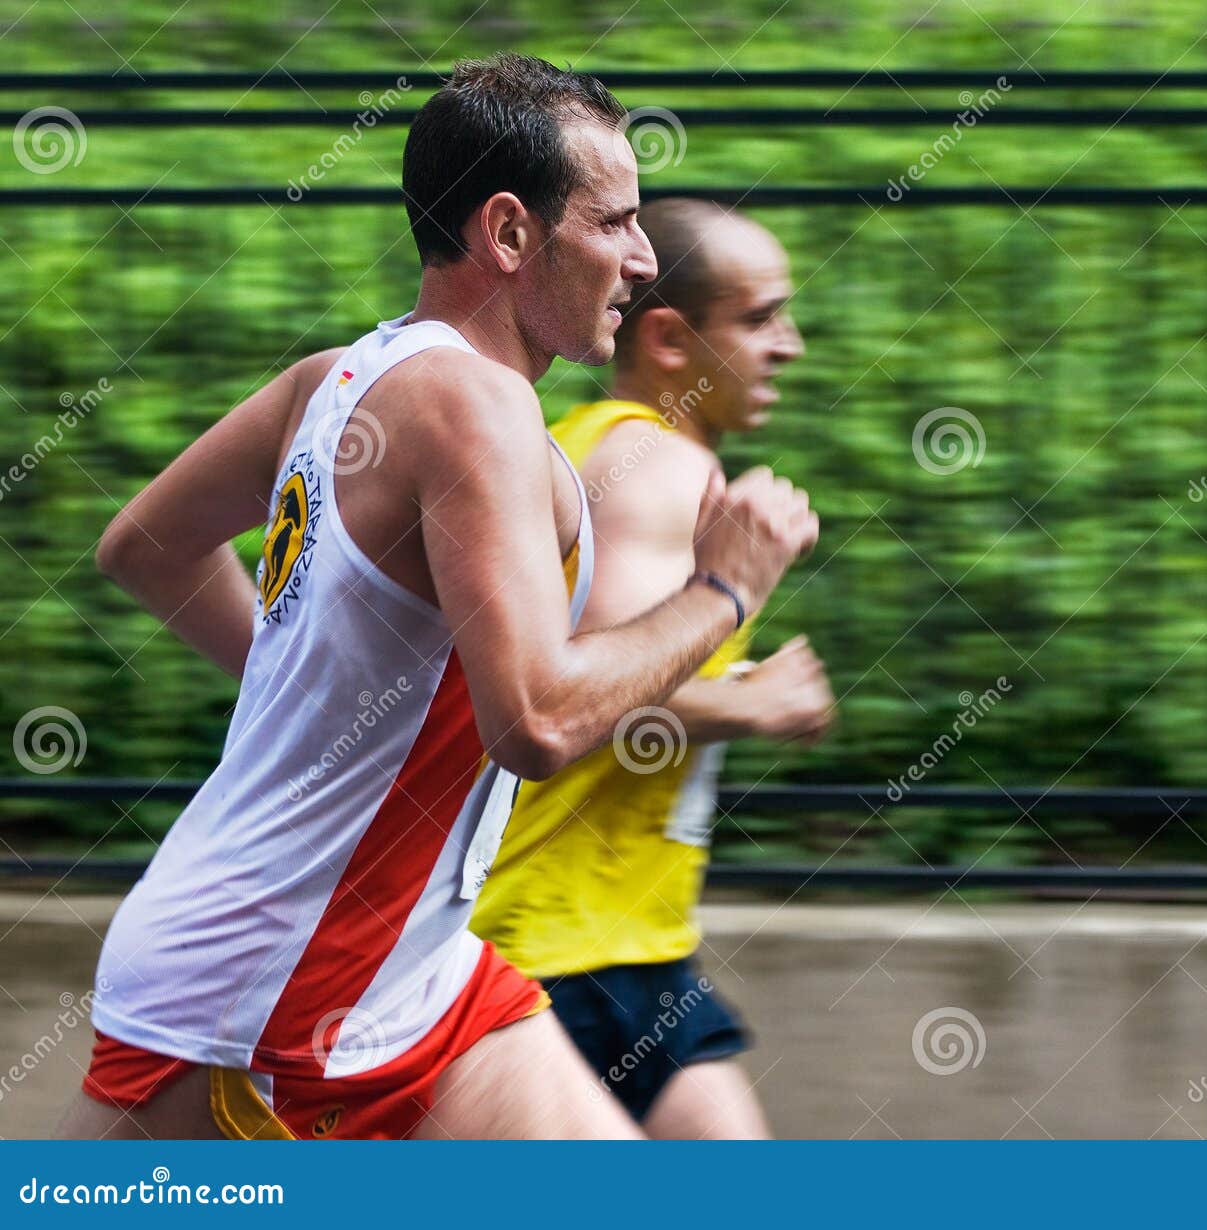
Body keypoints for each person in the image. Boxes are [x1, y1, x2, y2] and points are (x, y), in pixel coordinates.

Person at [57, 54, 817, 1141]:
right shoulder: (475, 409)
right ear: (509, 235)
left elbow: (145, 546)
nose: (643, 262)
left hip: (413, 962)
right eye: (614, 224)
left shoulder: (334, 380)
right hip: (285, 988)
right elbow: (539, 720)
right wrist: (724, 590)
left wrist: (322, 705)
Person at [471, 199, 834, 1138]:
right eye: (759, 320)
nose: (789, 345)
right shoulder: (654, 466)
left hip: (627, 947)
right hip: (554, 949)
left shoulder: (615, 449)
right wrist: (756, 706)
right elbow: (582, 698)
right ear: (670, 340)